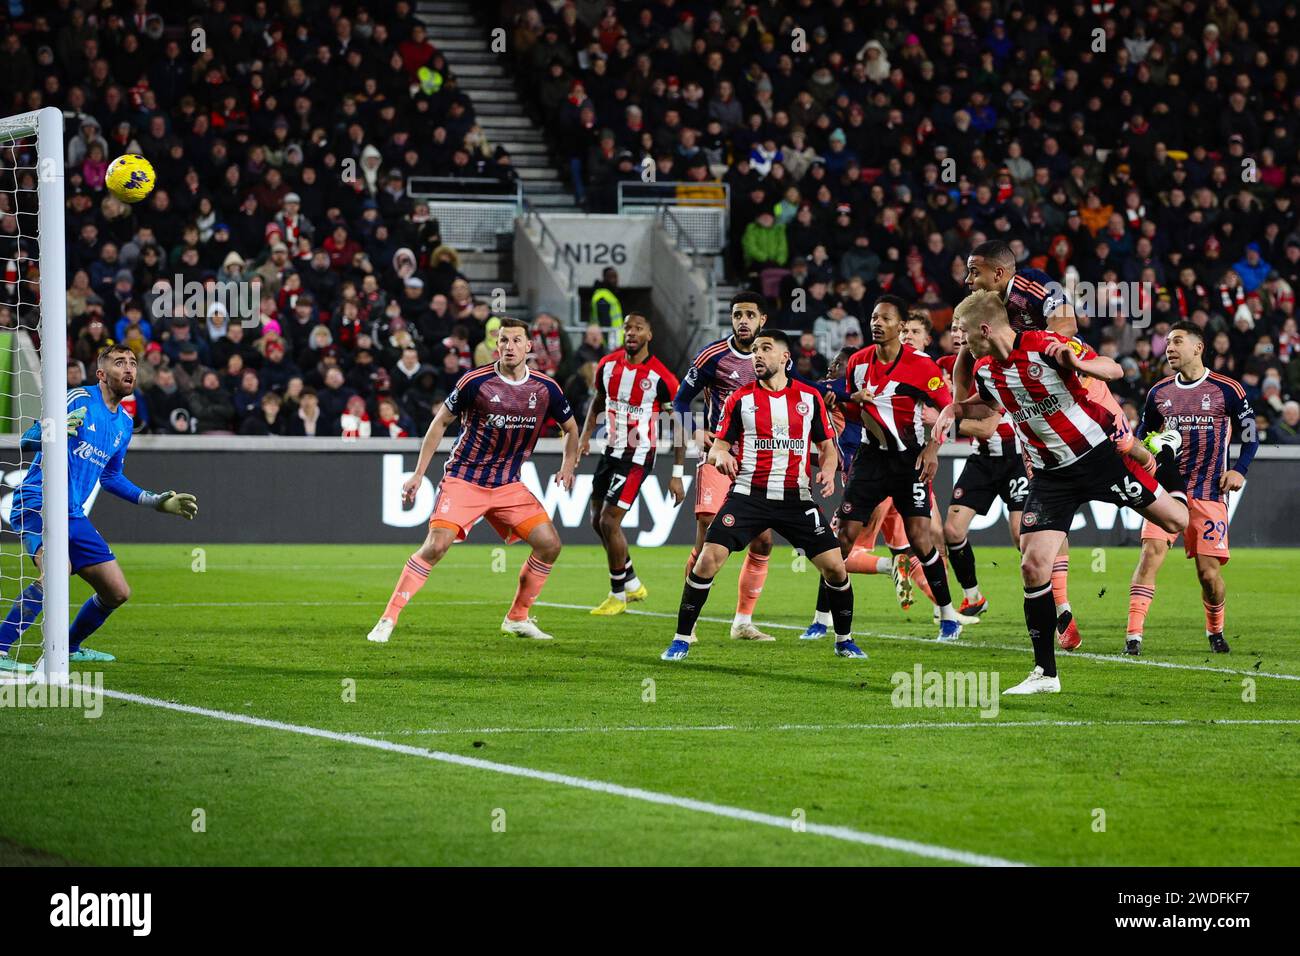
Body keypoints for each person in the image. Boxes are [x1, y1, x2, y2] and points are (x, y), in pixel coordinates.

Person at [932, 290, 1188, 695]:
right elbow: (987, 403)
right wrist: (956, 409)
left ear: (984, 329)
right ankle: (1046, 674)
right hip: (1052, 477)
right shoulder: (986, 370)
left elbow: (1114, 370)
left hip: (1099, 458)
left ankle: (1167, 452)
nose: (956, 340)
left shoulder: (1042, 345)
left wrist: (1078, 360)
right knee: (1033, 565)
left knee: (1178, 519)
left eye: (962, 332)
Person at [366, 318, 580, 645]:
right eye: (504, 340)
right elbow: (439, 424)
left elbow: (572, 429)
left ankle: (517, 618)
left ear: (529, 347)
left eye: (516, 341)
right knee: (436, 545)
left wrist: (568, 466)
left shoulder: (546, 388)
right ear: (497, 346)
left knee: (550, 544)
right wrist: (419, 473)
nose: (509, 346)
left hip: (508, 484)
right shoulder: (475, 381)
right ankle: (388, 618)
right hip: (464, 479)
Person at [660, 329, 861, 661]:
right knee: (708, 559)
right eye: (754, 350)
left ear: (785, 357)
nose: (757, 355)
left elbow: (827, 447)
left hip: (796, 497)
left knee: (836, 568)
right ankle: (681, 638)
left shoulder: (809, 398)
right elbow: (720, 446)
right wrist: (721, 456)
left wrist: (827, 468)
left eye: (765, 349)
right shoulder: (741, 399)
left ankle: (845, 641)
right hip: (748, 494)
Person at [0, 345, 198, 671]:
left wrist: (155, 501)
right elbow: (27, 440)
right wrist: (52, 433)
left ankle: (71, 646)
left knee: (117, 591)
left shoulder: (124, 424)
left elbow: (110, 476)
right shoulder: (79, 398)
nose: (129, 369)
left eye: (133, 363)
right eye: (120, 363)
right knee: (56, 572)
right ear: (102, 374)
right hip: (39, 499)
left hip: (73, 513)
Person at [830, 294, 963, 642]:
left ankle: (948, 614)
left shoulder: (922, 366)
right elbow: (853, 408)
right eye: (874, 317)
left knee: (921, 538)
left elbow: (947, 408)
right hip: (871, 459)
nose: (877, 323)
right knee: (843, 537)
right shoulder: (857, 362)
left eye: (886, 318)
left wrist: (933, 448)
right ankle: (827, 618)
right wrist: (846, 401)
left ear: (901, 326)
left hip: (910, 460)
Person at [1126, 322, 1259, 655]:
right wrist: (1154, 450)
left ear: (1198, 348)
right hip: (1167, 493)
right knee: (1150, 556)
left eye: (1177, 342)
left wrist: (1239, 470)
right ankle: (1133, 636)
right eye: (1168, 343)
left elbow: (1251, 435)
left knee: (1208, 575)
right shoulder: (1159, 393)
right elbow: (1143, 439)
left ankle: (1215, 630)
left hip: (1210, 493)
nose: (1169, 348)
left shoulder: (1227, 389)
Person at [669, 291, 777, 641]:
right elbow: (680, 400)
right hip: (719, 454)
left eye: (749, 315)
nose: (742, 321)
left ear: (763, 320)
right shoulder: (713, 356)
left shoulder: (775, 358)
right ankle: (690, 618)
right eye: (736, 315)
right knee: (708, 534)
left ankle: (742, 622)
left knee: (762, 542)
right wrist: (696, 432)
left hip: (759, 460)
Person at [578, 313, 680, 614]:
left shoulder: (662, 377)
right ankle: (633, 582)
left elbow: (679, 425)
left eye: (638, 328)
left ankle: (618, 595)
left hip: (637, 456)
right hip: (610, 450)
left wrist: (677, 474)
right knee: (597, 521)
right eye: (627, 328)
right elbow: (599, 401)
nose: (631, 333)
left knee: (610, 521)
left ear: (650, 334)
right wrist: (585, 435)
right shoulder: (607, 365)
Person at [941, 319, 1027, 619]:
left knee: (1021, 534)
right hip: (982, 461)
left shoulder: (995, 367)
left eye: (962, 329)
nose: (957, 334)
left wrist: (942, 418)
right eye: (952, 329)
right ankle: (972, 597)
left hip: (1015, 460)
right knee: (951, 530)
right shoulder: (946, 368)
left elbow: (989, 427)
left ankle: (1053, 599)